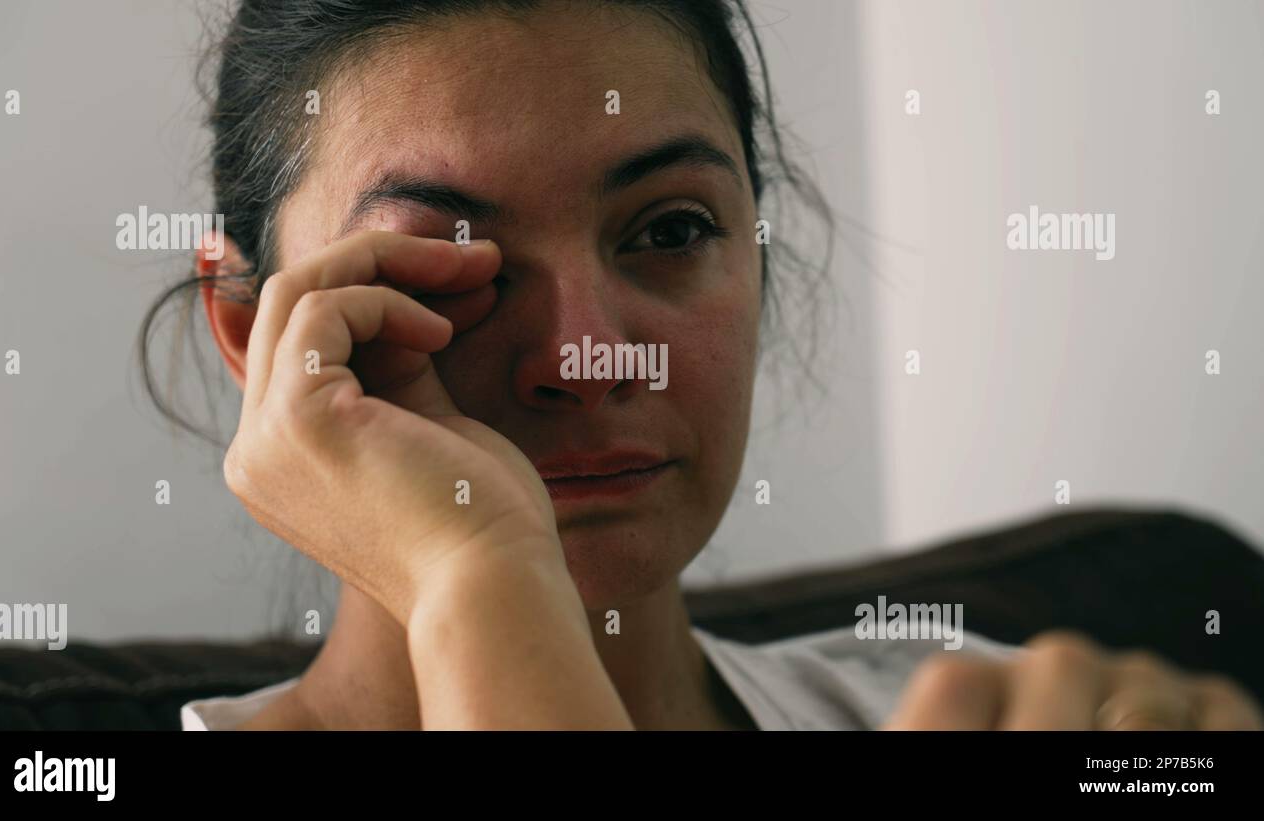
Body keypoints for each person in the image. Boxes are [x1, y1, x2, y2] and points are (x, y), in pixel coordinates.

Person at [141, 0, 1263, 730]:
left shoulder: (957, 706)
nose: (589, 356)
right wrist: (475, 572)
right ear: (250, 329)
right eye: (443, 260)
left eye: (670, 231)